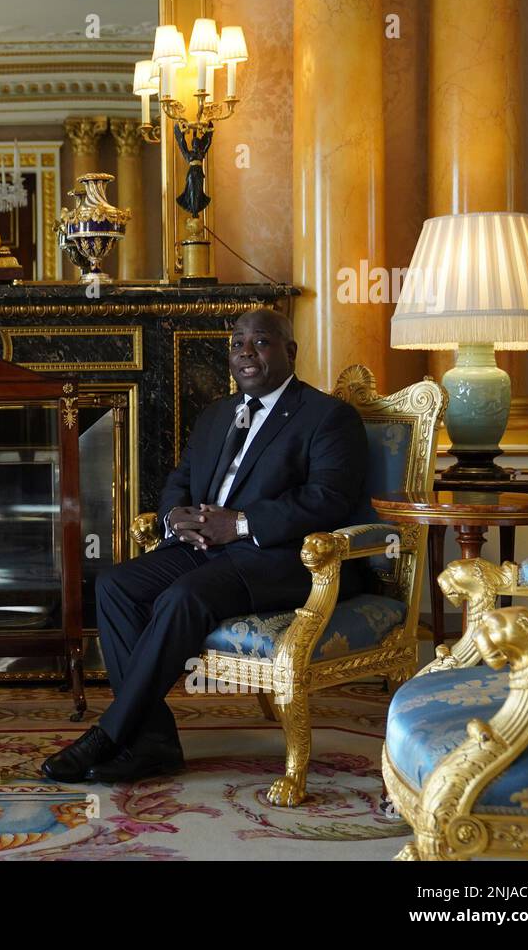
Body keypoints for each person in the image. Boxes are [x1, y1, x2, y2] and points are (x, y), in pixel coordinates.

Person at [42, 308, 368, 784]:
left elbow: (328, 500)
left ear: (289, 351)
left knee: (183, 597)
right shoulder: (218, 413)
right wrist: (175, 516)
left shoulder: (328, 416)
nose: (245, 353)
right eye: (237, 344)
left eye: (260, 342)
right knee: (114, 585)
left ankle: (110, 733)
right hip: (204, 547)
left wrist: (239, 525)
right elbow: (181, 478)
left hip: (281, 557)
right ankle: (153, 739)